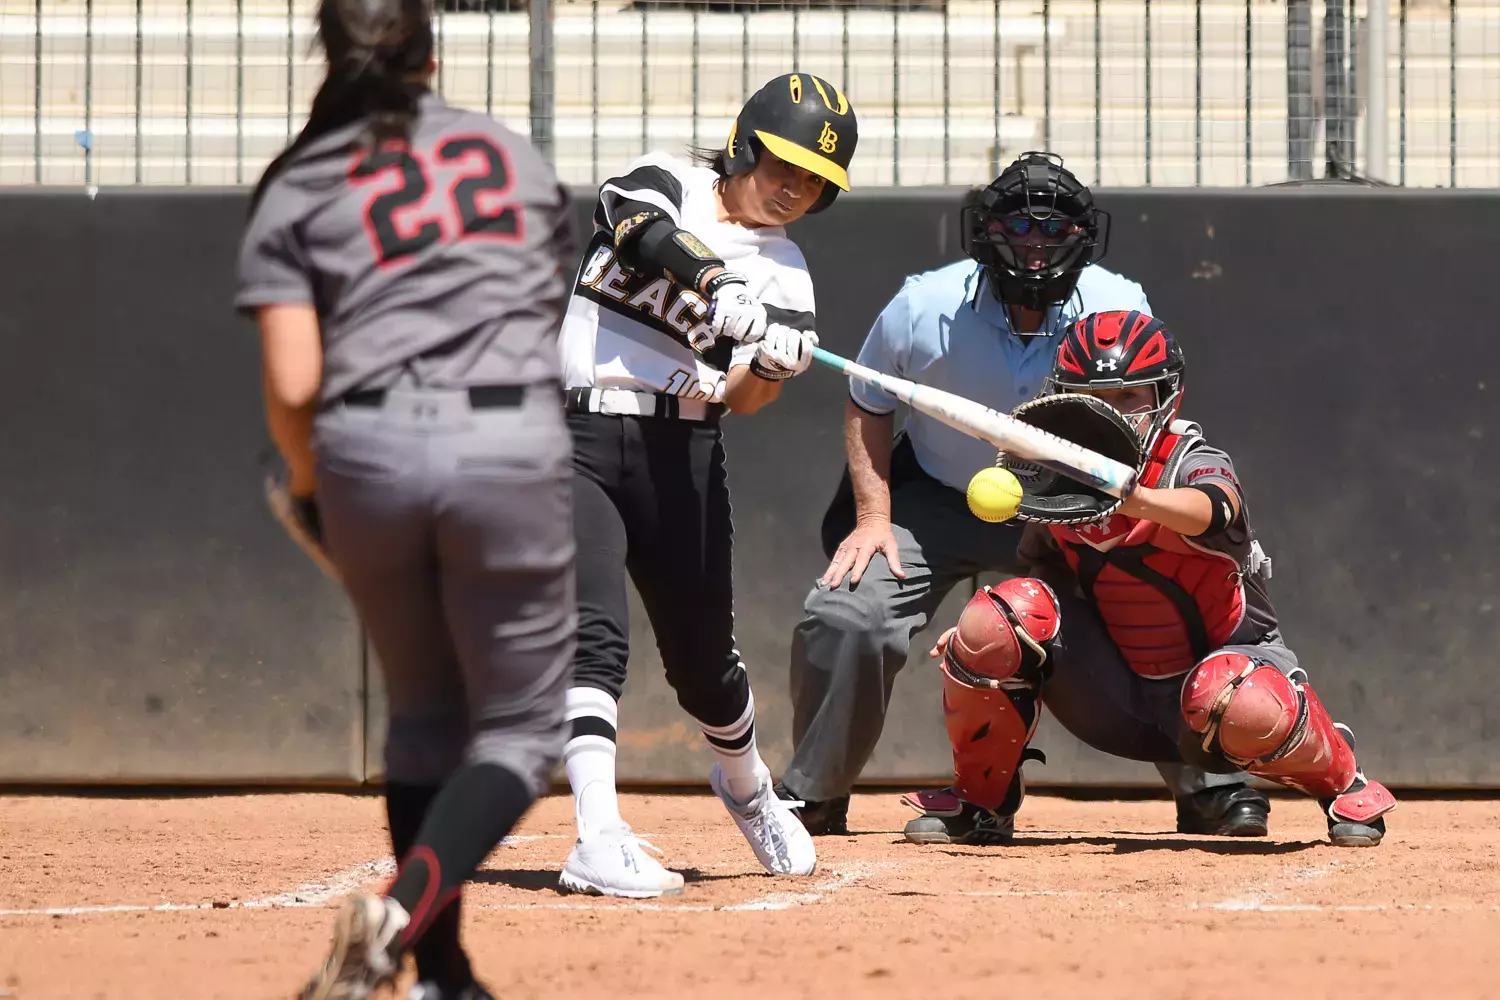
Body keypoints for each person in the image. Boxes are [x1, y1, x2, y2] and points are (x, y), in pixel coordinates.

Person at [776, 151, 1270, 840]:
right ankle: (815, 793)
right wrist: (873, 516)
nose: (1036, 244)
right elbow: (869, 402)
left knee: (1157, 593)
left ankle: (1210, 785)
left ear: (1085, 236)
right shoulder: (923, 304)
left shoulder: (1118, 303)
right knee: (848, 612)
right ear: (984, 231)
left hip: (1074, 506)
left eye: (1054, 229)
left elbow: (1148, 417)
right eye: (1019, 227)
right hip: (941, 497)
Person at [236, 0, 577, 995]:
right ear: (431, 56)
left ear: (330, 55)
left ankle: (443, 974)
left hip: (366, 449)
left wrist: (312, 487)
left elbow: (294, 386)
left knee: (424, 715)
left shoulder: (299, 178)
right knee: (522, 732)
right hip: (507, 441)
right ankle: (397, 919)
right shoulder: (510, 154)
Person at [901, 311, 1396, 847]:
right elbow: (1045, 575)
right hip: (1117, 695)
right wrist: (989, 636)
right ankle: (982, 801)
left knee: (1239, 696)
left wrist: (1133, 498)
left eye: (1130, 397)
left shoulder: (1191, 460)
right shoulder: (1054, 474)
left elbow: (1215, 509)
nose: (1112, 412)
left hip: (1222, 683)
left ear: (1166, 398)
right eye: (1093, 396)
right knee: (995, 617)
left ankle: (1343, 781)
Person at [552, 72, 859, 897]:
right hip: (575, 434)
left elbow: (745, 401)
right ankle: (597, 834)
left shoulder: (787, 276)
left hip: (681, 447)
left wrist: (771, 365)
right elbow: (637, 229)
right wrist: (716, 282)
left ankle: (748, 787)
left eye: (814, 182)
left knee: (704, 665)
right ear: (743, 146)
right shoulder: (666, 180)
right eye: (782, 165)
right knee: (594, 635)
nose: (793, 189)